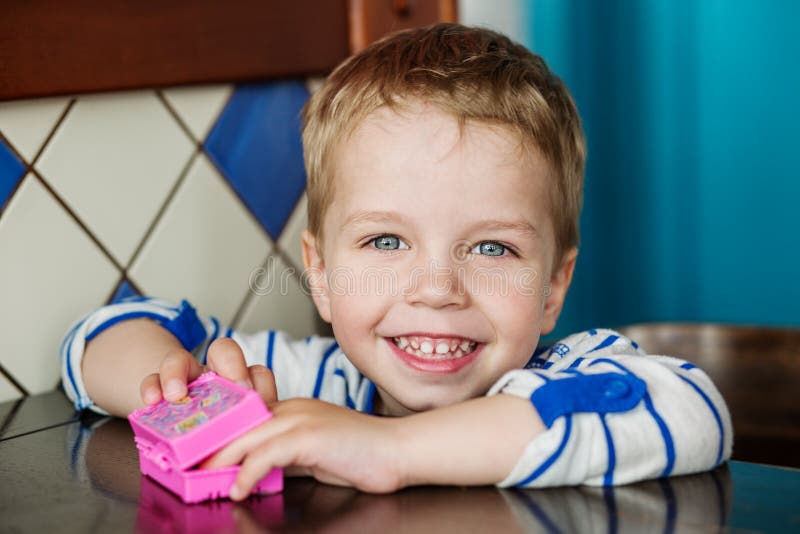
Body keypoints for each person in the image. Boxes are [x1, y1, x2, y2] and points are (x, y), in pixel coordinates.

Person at [60, 23, 731, 500]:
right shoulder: (308, 381)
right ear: (319, 272)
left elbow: (696, 410)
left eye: (493, 247)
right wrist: (183, 389)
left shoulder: (563, 377)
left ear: (554, 285)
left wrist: (389, 450)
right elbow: (99, 338)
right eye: (386, 241)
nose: (437, 290)